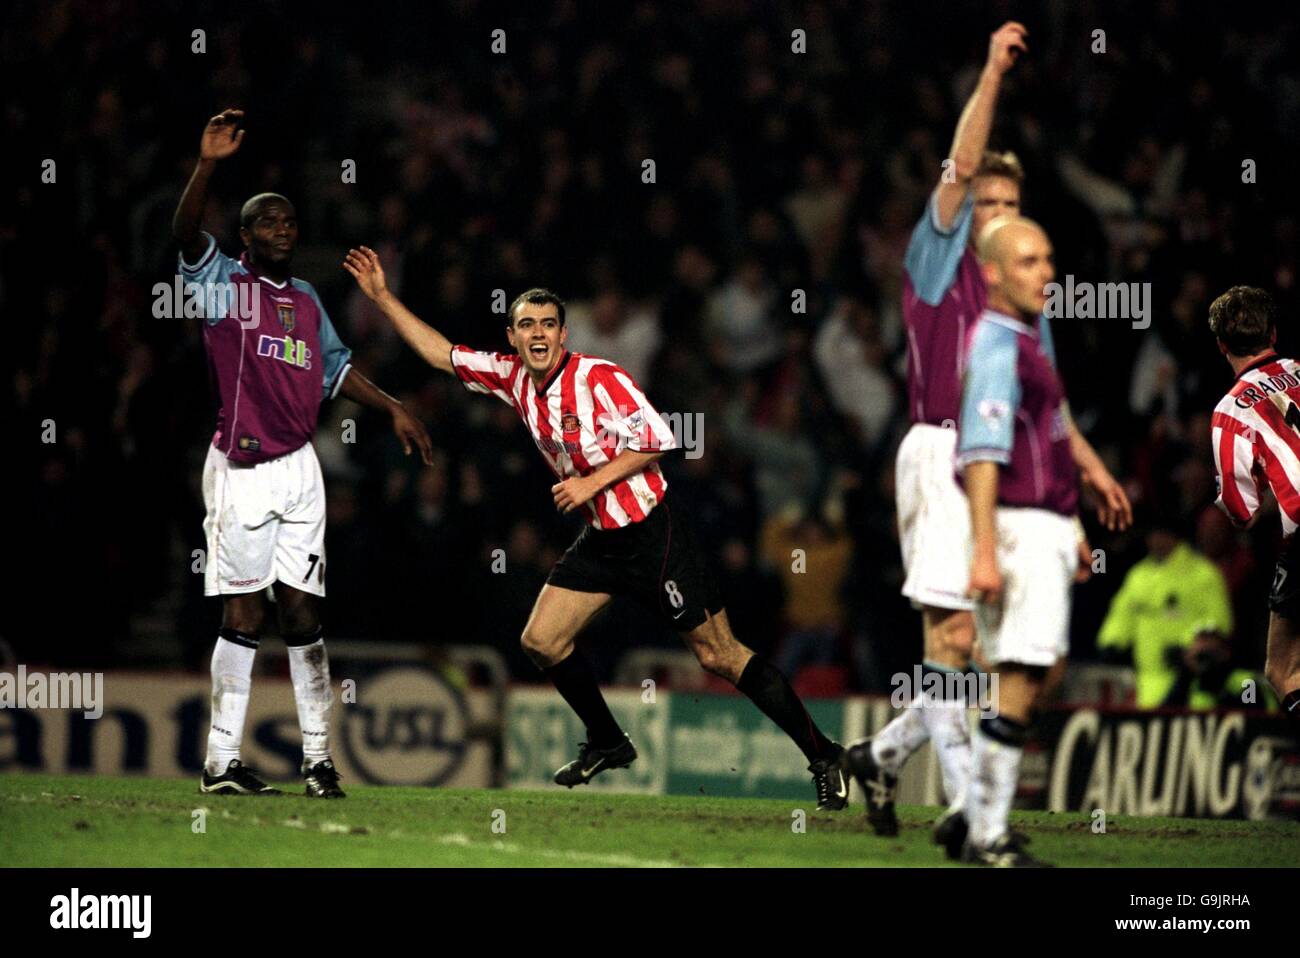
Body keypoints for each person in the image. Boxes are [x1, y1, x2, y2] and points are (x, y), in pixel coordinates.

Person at [343, 247, 850, 808]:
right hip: (604, 541)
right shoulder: (512, 378)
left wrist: (590, 483)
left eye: (548, 324)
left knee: (719, 656)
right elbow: (442, 355)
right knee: (541, 639)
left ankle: (824, 755)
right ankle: (608, 741)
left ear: (563, 335)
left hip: (654, 533)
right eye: (526, 325)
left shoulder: (599, 378)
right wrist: (384, 298)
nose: (537, 334)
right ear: (511, 338)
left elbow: (657, 439)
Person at [842, 22, 1130, 847]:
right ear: (967, 214)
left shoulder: (1024, 297)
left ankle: (882, 754)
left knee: (1004, 654)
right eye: (987, 205)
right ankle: (974, 814)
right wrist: (994, 75)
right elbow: (961, 165)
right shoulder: (940, 262)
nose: (999, 215)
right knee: (956, 638)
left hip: (1009, 477)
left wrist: (1093, 472)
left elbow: (1046, 406)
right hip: (940, 455)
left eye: (1012, 206)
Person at [174, 110, 433, 797]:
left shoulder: (307, 300)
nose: (283, 229)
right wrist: (207, 165)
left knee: (305, 613)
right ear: (246, 235)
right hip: (240, 467)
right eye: (269, 222)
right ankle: (221, 762)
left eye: (289, 221)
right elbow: (182, 235)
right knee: (243, 615)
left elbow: (336, 372)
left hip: (298, 467)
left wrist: (396, 408)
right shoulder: (221, 283)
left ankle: (318, 761)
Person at [957, 216, 1092, 867]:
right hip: (1019, 528)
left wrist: (1074, 522)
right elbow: (981, 454)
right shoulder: (998, 345)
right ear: (993, 273)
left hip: (1043, 526)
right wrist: (985, 551)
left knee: (1033, 674)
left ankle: (970, 818)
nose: (1047, 273)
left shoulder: (1024, 338)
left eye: (1048, 260)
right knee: (1020, 677)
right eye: (1030, 262)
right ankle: (988, 835)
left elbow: (1049, 439)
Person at [1208, 285, 1300, 732]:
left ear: (1222, 346)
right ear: (1274, 333)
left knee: (1282, 671)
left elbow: (1241, 510)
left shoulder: (1230, 413)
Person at [1097, 508, 1232, 707]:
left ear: (1175, 537)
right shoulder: (1139, 575)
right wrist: (1111, 641)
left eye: (1161, 534)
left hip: (1192, 680)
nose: (1155, 540)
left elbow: (1218, 622)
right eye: (1152, 535)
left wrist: (1186, 646)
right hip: (1146, 679)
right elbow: (1122, 613)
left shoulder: (1203, 573)